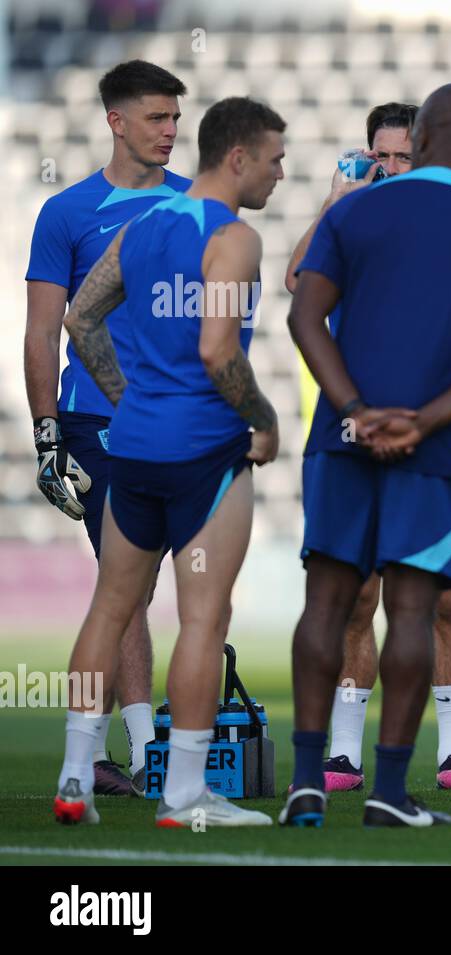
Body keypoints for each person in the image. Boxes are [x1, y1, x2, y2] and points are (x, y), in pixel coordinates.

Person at [280, 82, 451, 828]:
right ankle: (390, 793)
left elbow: (303, 312)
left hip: (340, 440)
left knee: (327, 602)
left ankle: (307, 780)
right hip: (436, 451)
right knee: (414, 613)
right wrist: (422, 421)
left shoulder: (355, 209)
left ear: (419, 140)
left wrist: (357, 411)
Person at [53, 96, 287, 828]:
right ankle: (184, 795)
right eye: (276, 160)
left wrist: (127, 400)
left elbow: (80, 317)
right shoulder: (235, 238)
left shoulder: (143, 225)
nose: (282, 174)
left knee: (109, 606)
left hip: (137, 451)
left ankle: (72, 779)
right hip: (207, 456)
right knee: (202, 619)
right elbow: (219, 349)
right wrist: (264, 419)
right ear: (239, 157)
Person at [25, 59, 190, 797]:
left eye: (176, 118)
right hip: (100, 423)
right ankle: (137, 749)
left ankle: (129, 751)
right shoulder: (67, 213)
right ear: (116, 122)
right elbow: (40, 332)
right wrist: (48, 433)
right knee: (126, 583)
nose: (171, 131)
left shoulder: (198, 205)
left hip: (183, 428)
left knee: (161, 586)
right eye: (157, 117)